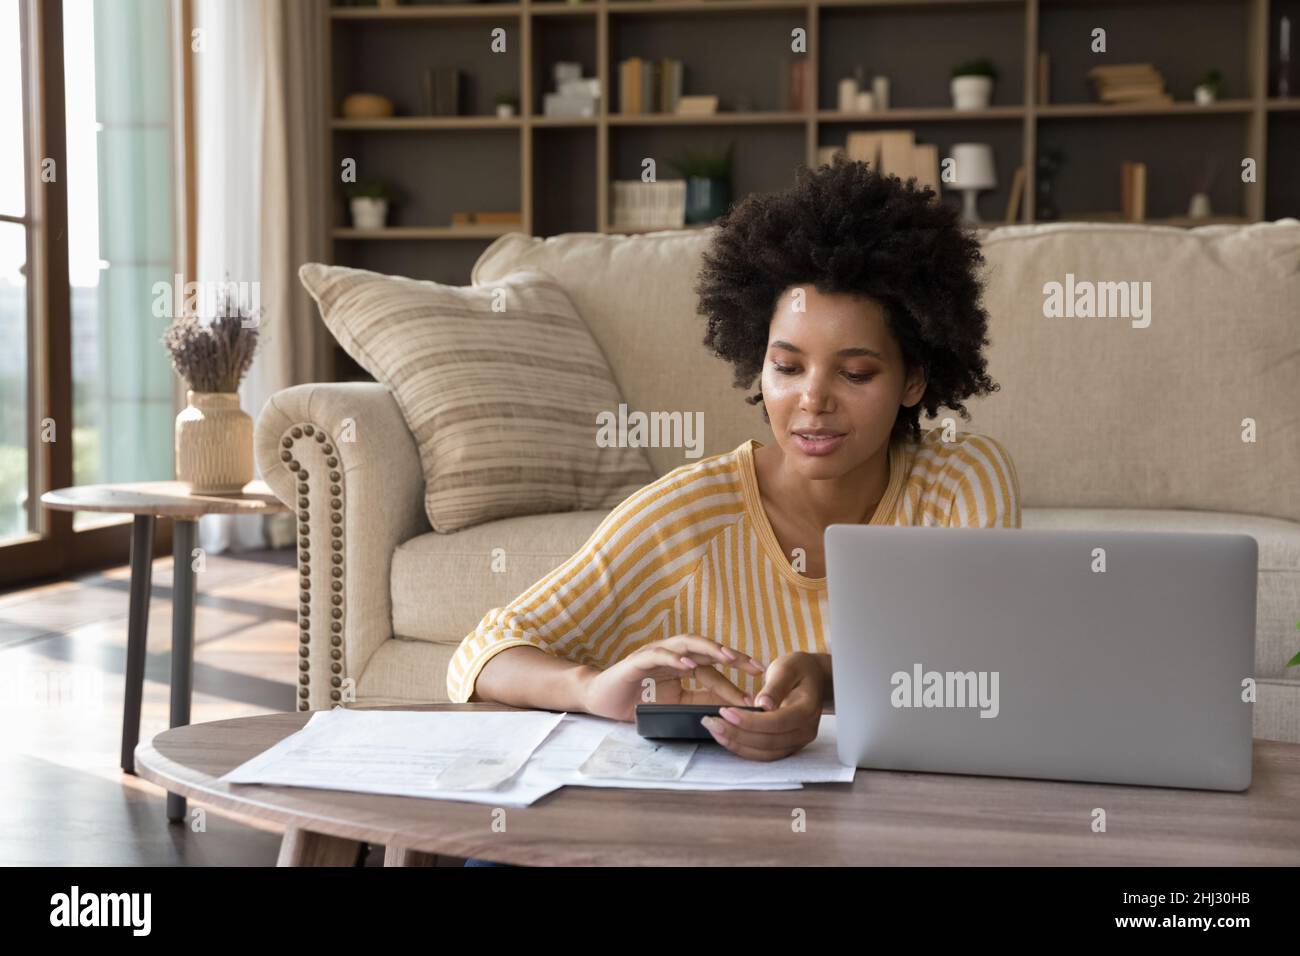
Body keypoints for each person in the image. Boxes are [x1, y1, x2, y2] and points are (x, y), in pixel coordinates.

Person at [453, 157, 1020, 869]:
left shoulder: (959, 482)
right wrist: (593, 688)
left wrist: (828, 676)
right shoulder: (687, 513)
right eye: (787, 367)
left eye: (856, 373)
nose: (813, 400)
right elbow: (487, 651)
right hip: (706, 842)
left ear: (914, 379)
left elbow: (986, 672)